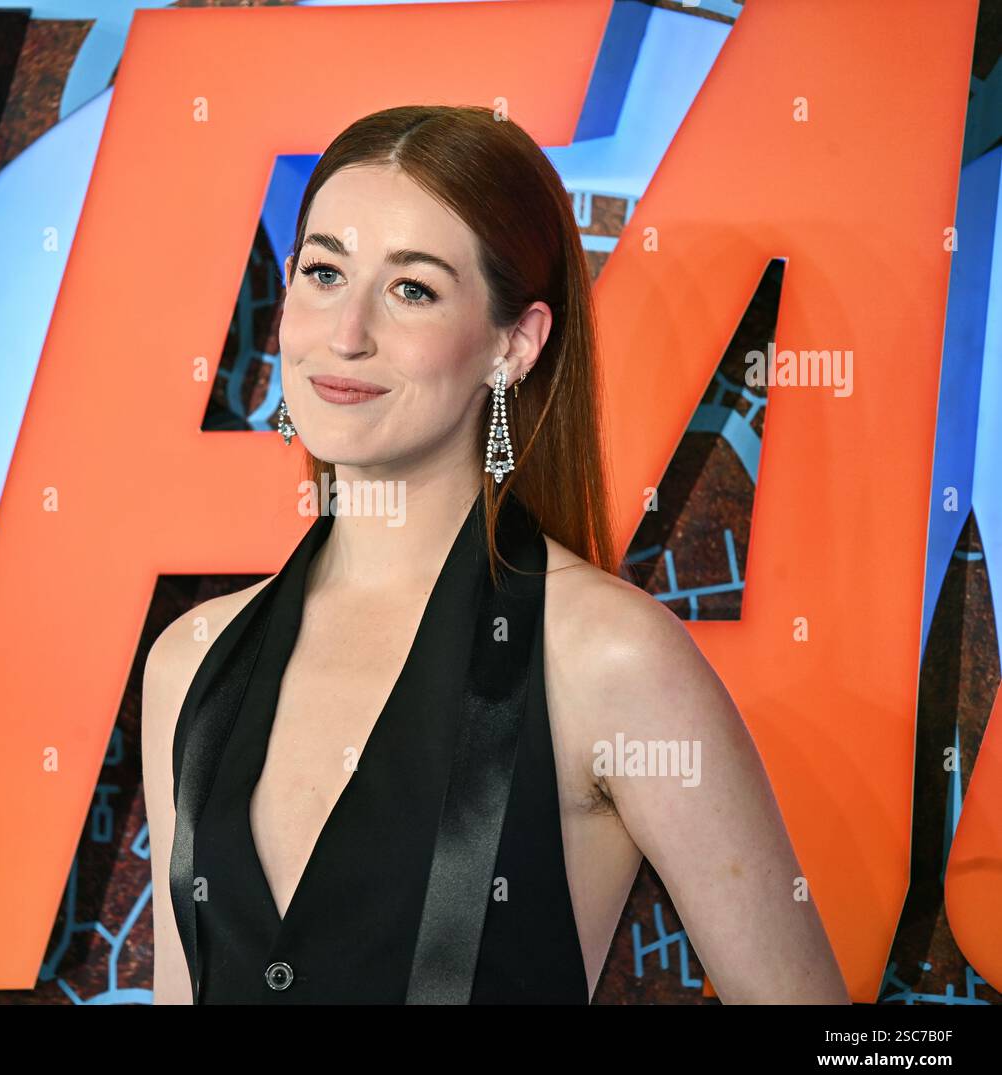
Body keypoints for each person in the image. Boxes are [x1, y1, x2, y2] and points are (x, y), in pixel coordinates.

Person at [142, 104, 849, 1004]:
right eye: (323, 272)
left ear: (513, 346)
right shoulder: (190, 661)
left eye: (412, 290)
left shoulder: (607, 658)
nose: (346, 331)